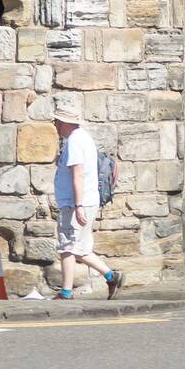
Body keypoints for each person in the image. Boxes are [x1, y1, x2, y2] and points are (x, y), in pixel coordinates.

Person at [52, 101, 123, 301]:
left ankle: (66, 292)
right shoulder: (84, 138)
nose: (55, 125)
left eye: (57, 121)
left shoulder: (74, 141)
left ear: (66, 122)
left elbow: (78, 175)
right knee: (81, 248)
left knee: (67, 246)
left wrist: (78, 206)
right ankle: (111, 276)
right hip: (88, 199)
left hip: (75, 203)